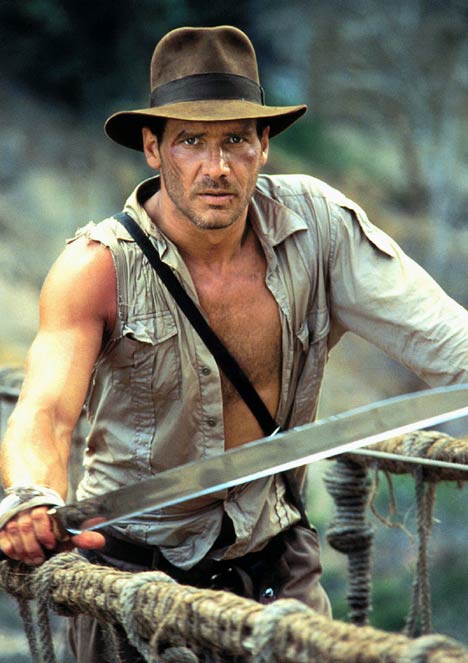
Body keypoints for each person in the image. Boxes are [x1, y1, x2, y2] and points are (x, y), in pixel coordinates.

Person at [1, 24, 468, 662]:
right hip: (132, 579)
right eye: (191, 141)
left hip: (276, 570)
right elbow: (46, 413)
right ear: (153, 148)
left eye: (236, 140)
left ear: (264, 145)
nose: (217, 168)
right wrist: (32, 498)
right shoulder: (97, 267)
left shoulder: (320, 229)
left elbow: (450, 345)